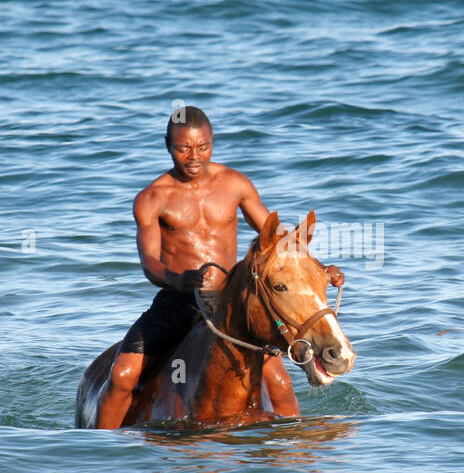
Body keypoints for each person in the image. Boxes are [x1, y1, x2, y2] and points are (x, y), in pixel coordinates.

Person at [97, 106, 343, 428]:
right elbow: (150, 264)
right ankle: (100, 446)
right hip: (178, 300)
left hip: (231, 302)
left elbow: (278, 240)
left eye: (203, 147)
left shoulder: (235, 184)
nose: (194, 156)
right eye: (183, 148)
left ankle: (293, 448)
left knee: (280, 382)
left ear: (212, 142)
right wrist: (178, 280)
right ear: (168, 146)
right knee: (123, 375)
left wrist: (322, 269)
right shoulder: (152, 198)